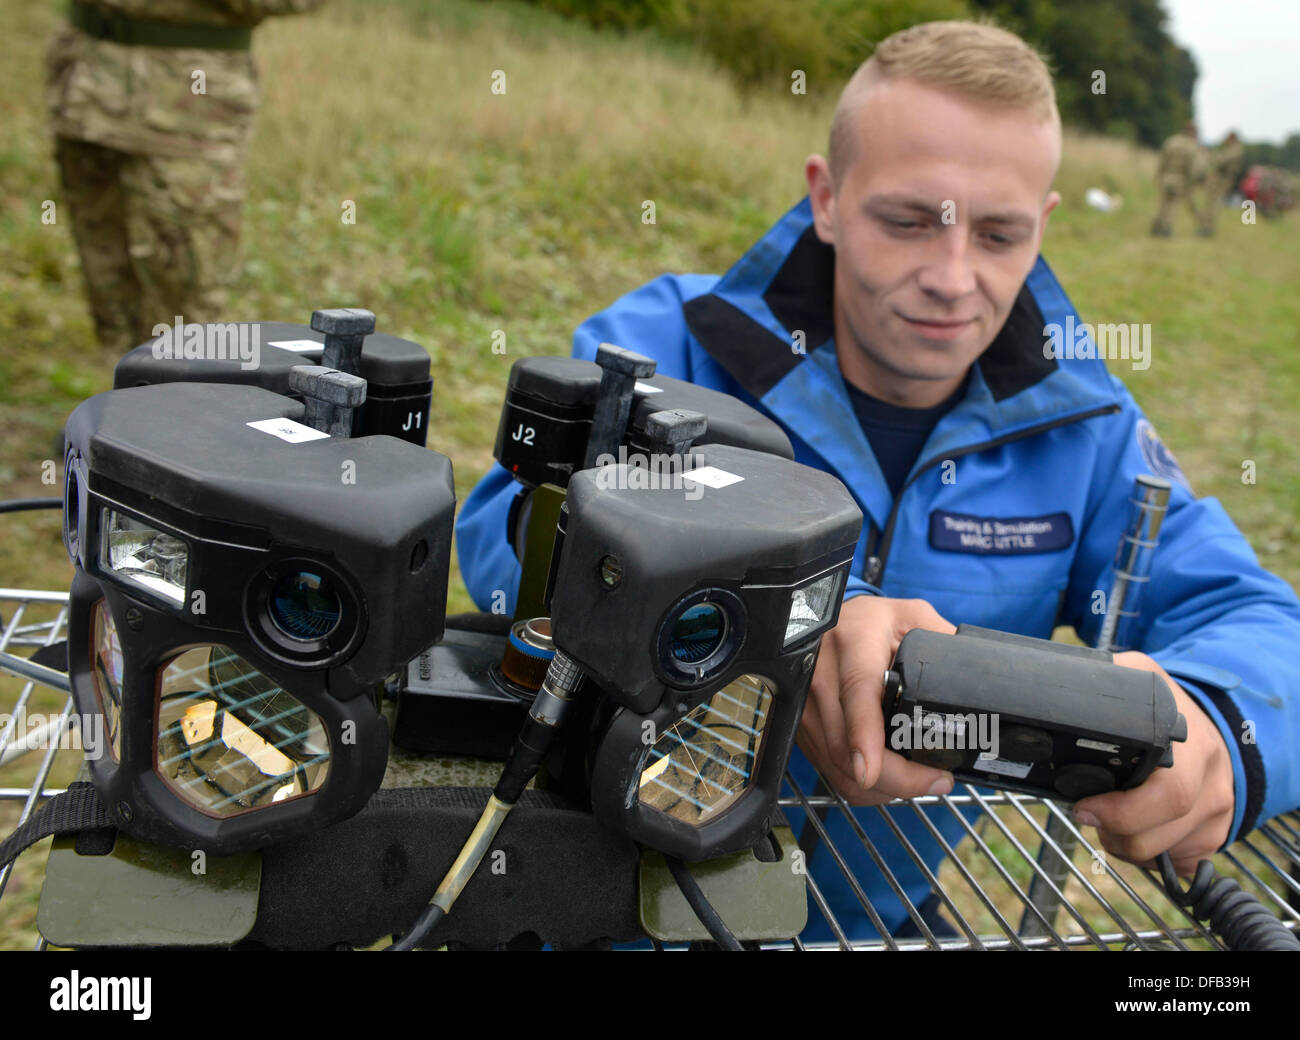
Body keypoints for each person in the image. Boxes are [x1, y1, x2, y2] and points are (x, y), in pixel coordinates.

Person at [456, 20, 1300, 942]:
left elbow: (1261, 626)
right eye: (908, 220)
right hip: (615, 908)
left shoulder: (1089, 431)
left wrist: (1224, 728)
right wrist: (794, 618)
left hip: (879, 922)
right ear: (826, 196)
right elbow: (507, 533)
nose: (952, 277)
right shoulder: (666, 347)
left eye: (1000, 233)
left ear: (1045, 225)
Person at [45, 0, 325, 356]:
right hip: (85, 80)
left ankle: (179, 395)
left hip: (190, 105)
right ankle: (120, 392)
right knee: (105, 272)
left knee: (187, 305)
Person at [1150, 120, 1207, 237]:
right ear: (1192, 132)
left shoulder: (1171, 141)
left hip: (1166, 177)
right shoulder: (1191, 146)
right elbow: (1193, 167)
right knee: (1173, 205)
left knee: (1163, 203)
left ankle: (1156, 226)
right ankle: (1166, 228)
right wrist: (1192, 182)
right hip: (1180, 179)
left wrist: (1158, 175)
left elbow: (1163, 160)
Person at [1198, 130, 1243, 236]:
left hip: (1222, 181)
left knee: (1214, 205)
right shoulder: (1232, 149)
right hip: (1220, 180)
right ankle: (1206, 227)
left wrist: (1210, 156)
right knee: (1211, 204)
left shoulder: (1235, 150)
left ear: (1231, 139)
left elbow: (1221, 161)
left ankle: (1207, 229)